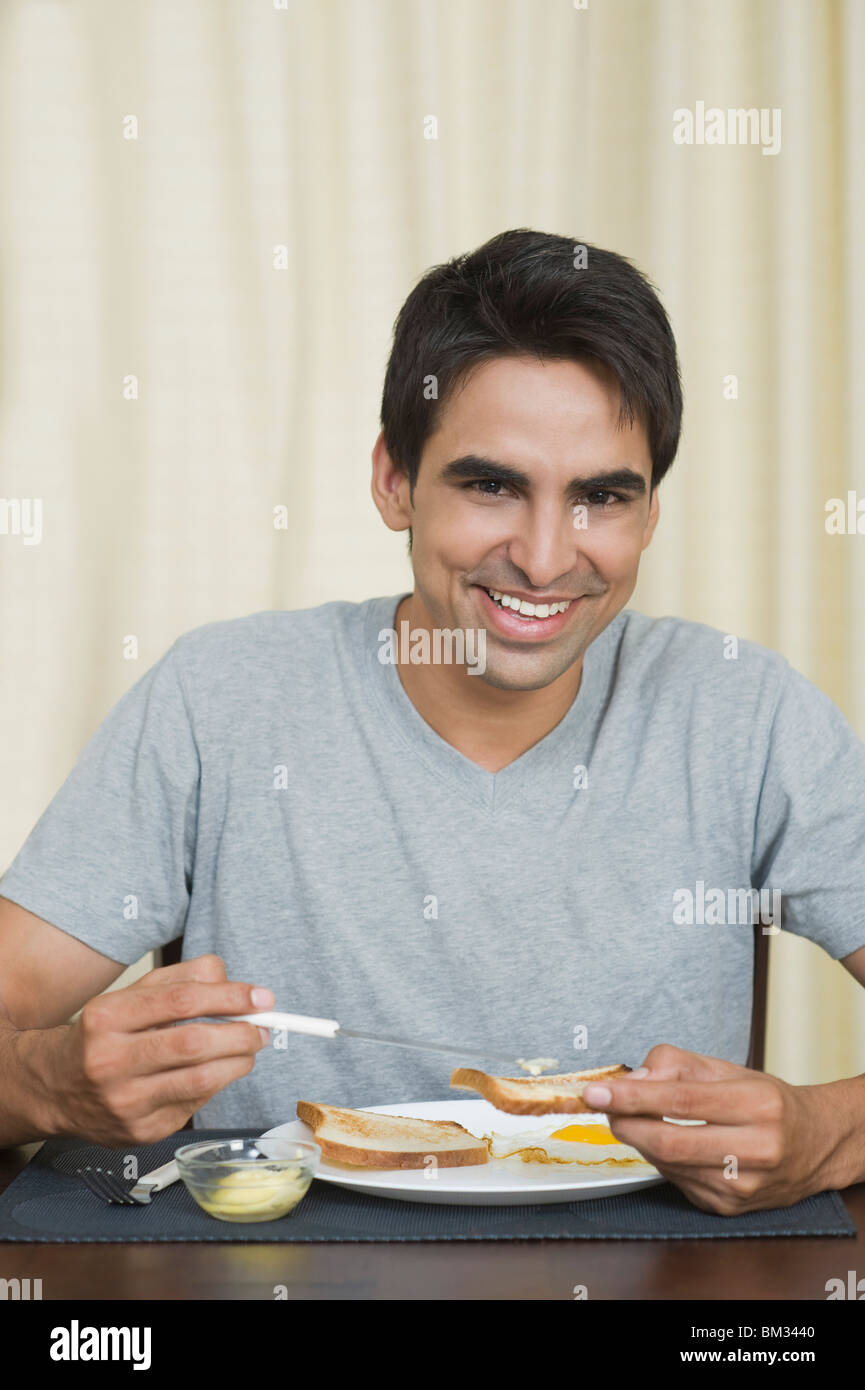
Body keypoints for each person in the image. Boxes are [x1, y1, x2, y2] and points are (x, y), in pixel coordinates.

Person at [1, 229, 864, 1215]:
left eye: (599, 497)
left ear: (650, 514)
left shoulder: (744, 715)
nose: (544, 559)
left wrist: (832, 1129)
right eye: (490, 484)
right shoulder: (221, 698)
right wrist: (44, 1081)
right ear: (393, 481)